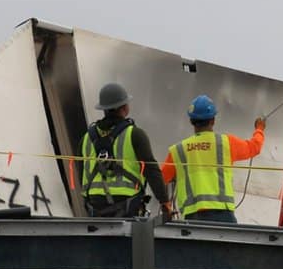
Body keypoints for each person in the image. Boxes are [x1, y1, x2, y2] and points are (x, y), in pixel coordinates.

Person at [162, 94, 265, 223]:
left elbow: (161, 179)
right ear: (213, 120)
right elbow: (254, 147)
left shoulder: (178, 150)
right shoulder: (226, 142)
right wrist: (259, 129)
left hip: (192, 218)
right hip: (223, 215)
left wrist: (166, 204)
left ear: (191, 121)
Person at [80, 83, 171, 218]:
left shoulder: (86, 138)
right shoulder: (135, 134)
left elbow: (81, 170)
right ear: (124, 107)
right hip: (127, 203)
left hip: (94, 204)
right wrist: (164, 202)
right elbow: (151, 170)